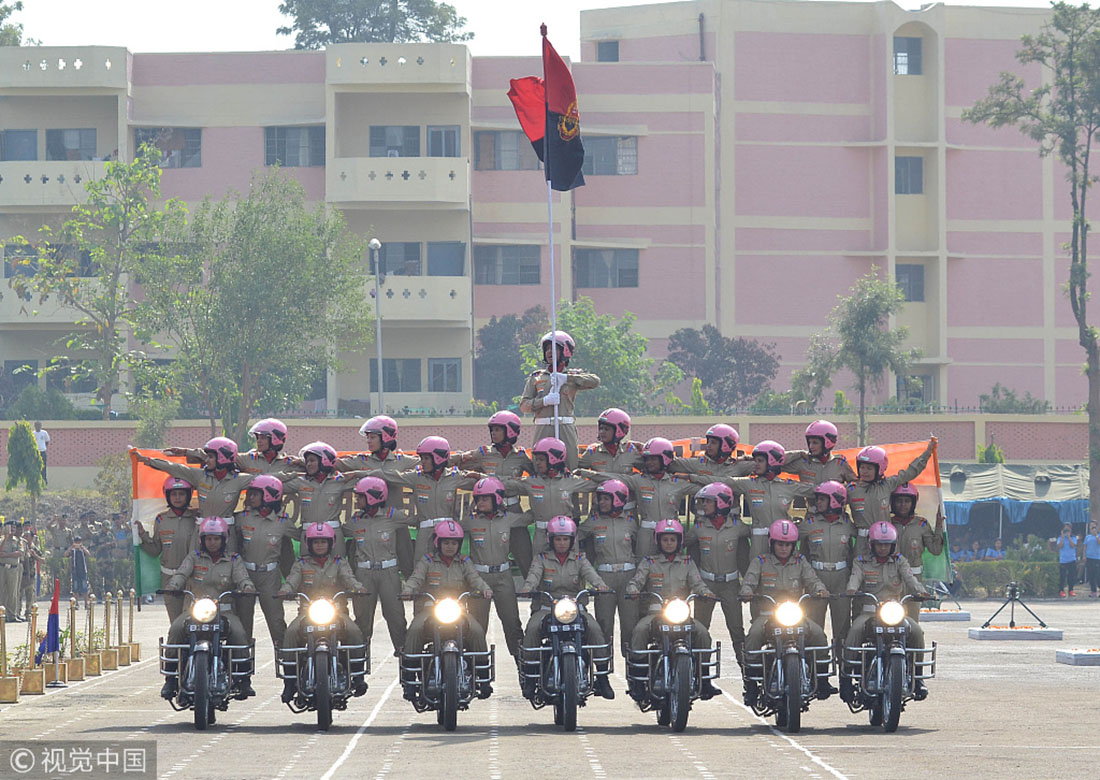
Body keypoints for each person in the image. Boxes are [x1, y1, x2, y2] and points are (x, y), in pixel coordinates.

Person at [625, 518, 721, 701]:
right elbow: (636, 580)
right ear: (658, 541)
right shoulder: (649, 562)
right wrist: (633, 590)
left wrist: (706, 593)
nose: (669, 543)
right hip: (656, 613)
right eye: (665, 540)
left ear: (679, 541)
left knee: (703, 634)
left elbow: (698, 583)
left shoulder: (687, 562)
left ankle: (704, 678)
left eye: (673, 540)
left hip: (680, 614)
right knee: (638, 631)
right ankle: (638, 679)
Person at [521, 516, 614, 699]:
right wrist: (527, 587)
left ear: (571, 540)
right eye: (558, 539)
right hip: (547, 608)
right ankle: (531, 677)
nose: (562, 543)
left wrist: (600, 585)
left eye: (565, 539)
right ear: (551, 540)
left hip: (574, 608)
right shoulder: (541, 559)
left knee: (595, 630)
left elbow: (591, 575)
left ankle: (602, 677)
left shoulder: (580, 559)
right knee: (532, 630)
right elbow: (533, 576)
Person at [740, 519, 832, 704]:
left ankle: (821, 679)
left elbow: (813, 580)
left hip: (794, 614)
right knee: (753, 636)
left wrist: (820, 590)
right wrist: (747, 591)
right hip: (767, 615)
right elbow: (748, 581)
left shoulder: (800, 561)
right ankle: (751, 683)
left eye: (788, 545)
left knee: (819, 635)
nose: (784, 548)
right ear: (772, 543)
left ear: (793, 545)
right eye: (780, 544)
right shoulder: (760, 561)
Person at [164, 517, 256, 700]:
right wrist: (173, 586)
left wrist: (247, 587)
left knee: (239, 634)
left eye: (216, 538)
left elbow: (243, 578)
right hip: (196, 610)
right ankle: (170, 678)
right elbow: (181, 574)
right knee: (175, 629)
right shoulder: (194, 557)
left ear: (224, 539)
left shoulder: (233, 559)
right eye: (208, 538)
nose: (212, 542)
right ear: (202, 539)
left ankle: (243, 678)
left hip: (225, 611)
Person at [400, 520, 493, 700]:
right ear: (438, 543)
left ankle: (482, 678)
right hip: (431, 609)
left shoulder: (465, 562)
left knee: (477, 631)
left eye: (454, 543)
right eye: (446, 542)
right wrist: (408, 590)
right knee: (414, 630)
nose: (450, 547)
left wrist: (485, 589)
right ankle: (409, 679)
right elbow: (415, 578)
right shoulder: (427, 560)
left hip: (458, 609)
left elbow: (476, 579)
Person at [276, 522, 367, 702]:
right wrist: (285, 590)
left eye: (323, 542)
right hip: (307, 612)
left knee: (355, 632)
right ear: (309, 544)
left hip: (337, 611)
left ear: (331, 543)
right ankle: (290, 681)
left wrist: (358, 588)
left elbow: (350, 579)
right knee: (290, 634)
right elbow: (292, 581)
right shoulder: (301, 563)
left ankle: (357, 676)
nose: (319, 545)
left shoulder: (340, 562)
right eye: (315, 542)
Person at [843, 521, 931, 701]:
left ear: (893, 545)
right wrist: (851, 589)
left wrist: (920, 591)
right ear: (871, 545)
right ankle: (846, 676)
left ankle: (918, 676)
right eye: (879, 544)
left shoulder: (900, 561)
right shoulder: (861, 561)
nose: (882, 548)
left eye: (886, 544)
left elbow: (910, 578)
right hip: (870, 612)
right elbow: (855, 577)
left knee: (917, 632)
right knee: (854, 632)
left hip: (894, 612)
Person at [580, 437, 699, 559]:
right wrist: (586, 473)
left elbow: (705, 489)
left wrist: (693, 477)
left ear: (665, 458)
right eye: (647, 459)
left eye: (653, 459)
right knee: (642, 567)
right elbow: (615, 477)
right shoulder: (638, 480)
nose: (649, 463)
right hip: (646, 535)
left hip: (670, 534)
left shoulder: (677, 483)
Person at [367, 436, 480, 562]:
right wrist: (358, 474)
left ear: (438, 457)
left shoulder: (454, 477)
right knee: (421, 568)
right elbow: (389, 476)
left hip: (448, 534)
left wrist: (480, 476)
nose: (422, 462)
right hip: (424, 533)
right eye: (421, 458)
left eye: (426, 458)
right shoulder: (416, 477)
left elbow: (485, 485)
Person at [453, 411, 535, 575]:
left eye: (498, 429)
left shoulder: (521, 456)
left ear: (510, 431)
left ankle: (534, 595)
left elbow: (536, 478)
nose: (493, 433)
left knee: (525, 556)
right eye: (492, 430)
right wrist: (460, 457)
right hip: (485, 513)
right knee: (482, 557)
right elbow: (458, 466)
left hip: (513, 510)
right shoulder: (483, 453)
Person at [705, 441, 815, 564]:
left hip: (785, 542)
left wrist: (799, 454)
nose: (755, 465)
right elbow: (719, 481)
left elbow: (818, 491)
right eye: (755, 461)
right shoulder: (748, 484)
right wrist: (691, 478)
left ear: (772, 461)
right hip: (759, 543)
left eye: (760, 461)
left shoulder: (788, 486)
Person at [337, 416, 415, 577]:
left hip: (395, 521)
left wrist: (463, 458)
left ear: (386, 437)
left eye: (372, 437)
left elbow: (433, 463)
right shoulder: (360, 461)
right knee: (356, 561)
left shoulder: (403, 461)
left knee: (408, 563)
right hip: (367, 522)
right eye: (368, 437)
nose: (368, 441)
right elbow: (333, 464)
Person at [501, 437, 597, 563]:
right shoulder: (530, 482)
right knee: (541, 570)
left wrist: (586, 473)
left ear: (553, 458)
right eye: (537, 460)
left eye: (541, 459)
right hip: (541, 535)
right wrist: (480, 477)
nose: (537, 463)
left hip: (566, 535)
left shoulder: (570, 481)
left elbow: (600, 485)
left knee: (571, 570)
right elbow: (503, 483)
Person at [685, 482, 749, 668]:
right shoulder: (699, 527)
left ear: (721, 503)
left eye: (708, 502)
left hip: (730, 584)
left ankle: (748, 674)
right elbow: (678, 542)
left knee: (737, 631)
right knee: (700, 630)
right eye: (703, 502)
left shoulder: (737, 526)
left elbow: (762, 534)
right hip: (706, 584)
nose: (704, 506)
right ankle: (700, 674)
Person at [460, 477, 524, 662]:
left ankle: (523, 666)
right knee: (476, 627)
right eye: (478, 498)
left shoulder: (508, 519)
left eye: (485, 498)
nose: (480, 502)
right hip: (479, 578)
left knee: (512, 623)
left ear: (497, 499)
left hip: (503, 577)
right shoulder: (470, 521)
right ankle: (478, 669)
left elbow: (533, 517)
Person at [345, 477, 411, 656]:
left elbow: (415, 521)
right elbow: (338, 533)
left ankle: (405, 658)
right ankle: (358, 661)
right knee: (362, 620)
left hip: (389, 573)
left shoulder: (392, 516)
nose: (357, 501)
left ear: (373, 497)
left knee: (395, 617)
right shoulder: (355, 521)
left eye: (360, 497)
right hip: (364, 574)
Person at [577, 478, 640, 658]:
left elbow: (641, 546)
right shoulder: (593, 521)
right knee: (603, 626)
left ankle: (634, 675)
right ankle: (602, 673)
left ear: (619, 499)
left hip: (629, 576)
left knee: (630, 626)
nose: (601, 502)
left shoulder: (631, 522)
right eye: (600, 498)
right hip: (604, 577)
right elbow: (573, 537)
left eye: (606, 498)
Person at [519, 330, 600, 470]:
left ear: (565, 351)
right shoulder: (537, 377)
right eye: (547, 348)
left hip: (565, 426)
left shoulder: (571, 375)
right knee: (540, 465)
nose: (550, 352)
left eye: (554, 348)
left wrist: (567, 378)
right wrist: (544, 401)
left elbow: (595, 381)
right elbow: (524, 406)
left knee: (571, 466)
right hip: (543, 427)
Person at [134, 438, 257, 525]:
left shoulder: (239, 479)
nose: (206, 460)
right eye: (206, 456)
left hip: (228, 533)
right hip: (201, 531)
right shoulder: (199, 476)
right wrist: (146, 460)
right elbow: (172, 467)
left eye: (210, 457)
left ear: (222, 458)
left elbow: (265, 480)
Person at [234, 475, 295, 648]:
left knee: (276, 622)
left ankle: (287, 664)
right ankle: (242, 668)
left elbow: (305, 538)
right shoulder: (242, 518)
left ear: (269, 495)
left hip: (270, 576)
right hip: (246, 575)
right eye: (250, 493)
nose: (250, 498)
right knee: (243, 625)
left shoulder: (282, 521)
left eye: (255, 494)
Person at [281, 441, 370, 560]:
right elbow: (273, 485)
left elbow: (372, 478)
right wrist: (291, 474)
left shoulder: (339, 481)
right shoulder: (300, 481)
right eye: (306, 461)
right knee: (307, 571)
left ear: (324, 461)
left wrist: (357, 473)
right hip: (308, 533)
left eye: (312, 461)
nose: (308, 464)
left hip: (334, 533)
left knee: (338, 571)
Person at [846, 438, 936, 556]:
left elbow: (910, 472)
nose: (864, 471)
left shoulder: (887, 484)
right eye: (862, 467)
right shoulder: (851, 489)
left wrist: (927, 453)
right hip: (862, 543)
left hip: (885, 542)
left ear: (880, 468)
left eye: (869, 468)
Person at [798, 481, 855, 660]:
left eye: (823, 499)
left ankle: (845, 674)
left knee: (843, 629)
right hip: (816, 576)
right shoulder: (810, 523)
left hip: (841, 578)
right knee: (814, 629)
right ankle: (817, 675)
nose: (818, 503)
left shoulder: (848, 524)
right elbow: (788, 540)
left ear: (836, 501)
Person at [136, 476, 200, 623]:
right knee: (176, 622)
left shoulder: (196, 519)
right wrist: (142, 535)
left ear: (189, 495)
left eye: (182, 494)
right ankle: (176, 647)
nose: (177, 498)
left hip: (193, 578)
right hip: (169, 579)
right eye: (174, 494)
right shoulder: (161, 519)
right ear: (168, 496)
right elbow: (155, 550)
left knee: (194, 619)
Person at [889, 483, 945, 620]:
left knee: (912, 621)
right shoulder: (887, 524)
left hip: (915, 579)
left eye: (907, 501)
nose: (903, 505)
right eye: (899, 501)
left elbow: (936, 550)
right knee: (889, 618)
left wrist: (939, 526)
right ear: (893, 502)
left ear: (913, 503)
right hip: (891, 579)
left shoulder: (922, 525)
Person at [783, 420, 858, 485]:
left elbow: (856, 486)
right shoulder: (804, 462)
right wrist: (798, 453)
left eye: (815, 443)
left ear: (827, 442)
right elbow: (775, 462)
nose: (811, 446)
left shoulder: (840, 464)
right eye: (810, 443)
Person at [0, 517, 25, 622]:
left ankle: (12, 615)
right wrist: (6, 538)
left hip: (13, 569)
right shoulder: (1, 539)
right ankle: (2, 614)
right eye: (11, 527)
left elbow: (20, 553)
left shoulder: (18, 541)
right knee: (2, 591)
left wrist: (6, 555)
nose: (13, 530)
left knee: (13, 592)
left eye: (14, 527)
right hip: (2, 568)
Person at [21, 521, 44, 620]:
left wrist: (34, 555)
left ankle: (28, 613)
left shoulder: (34, 548)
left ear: (31, 538)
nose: (26, 538)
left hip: (31, 575)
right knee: (19, 595)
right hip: (21, 575)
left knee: (30, 595)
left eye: (27, 536)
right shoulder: (20, 546)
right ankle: (17, 612)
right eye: (24, 536)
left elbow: (43, 560)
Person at [1051, 524, 1078, 597]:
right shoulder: (1060, 538)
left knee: (1071, 576)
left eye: (1068, 529)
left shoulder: (1073, 537)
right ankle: (1061, 590)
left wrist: (1069, 537)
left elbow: (1073, 545)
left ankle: (1071, 590)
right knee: (1062, 576)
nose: (1067, 531)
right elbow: (1059, 546)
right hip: (1063, 560)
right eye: (1065, 529)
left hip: (1072, 559)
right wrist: (1062, 537)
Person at [68, 535, 90, 609]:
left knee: (85, 587)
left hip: (83, 571)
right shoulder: (73, 551)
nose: (77, 543)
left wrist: (82, 548)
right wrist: (71, 547)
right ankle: (76, 603)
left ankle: (86, 604)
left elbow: (88, 554)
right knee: (75, 588)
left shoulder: (82, 550)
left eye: (79, 542)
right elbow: (65, 554)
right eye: (76, 542)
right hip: (75, 571)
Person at [1084, 524, 1100, 597]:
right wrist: (1084, 556)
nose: (1093, 529)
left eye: (1094, 528)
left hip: (1097, 558)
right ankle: (1093, 591)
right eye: (1092, 528)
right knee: (1091, 575)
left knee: (1098, 575)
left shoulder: (1098, 535)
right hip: (1089, 558)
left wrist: (1096, 535)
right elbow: (1085, 547)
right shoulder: (1087, 537)